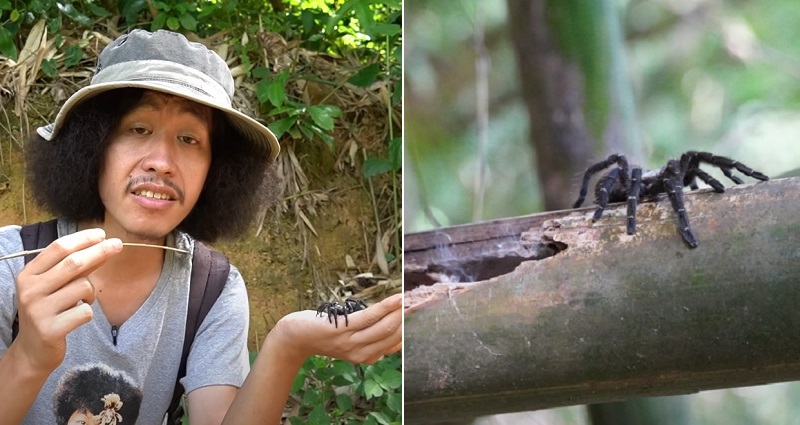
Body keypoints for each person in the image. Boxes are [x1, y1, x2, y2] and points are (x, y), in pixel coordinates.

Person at [0, 29, 402, 424]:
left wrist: (287, 344)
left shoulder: (213, 289)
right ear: (93, 146)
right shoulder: (11, 265)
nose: (161, 161)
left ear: (216, 171)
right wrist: (30, 356)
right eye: (138, 129)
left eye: (190, 139)